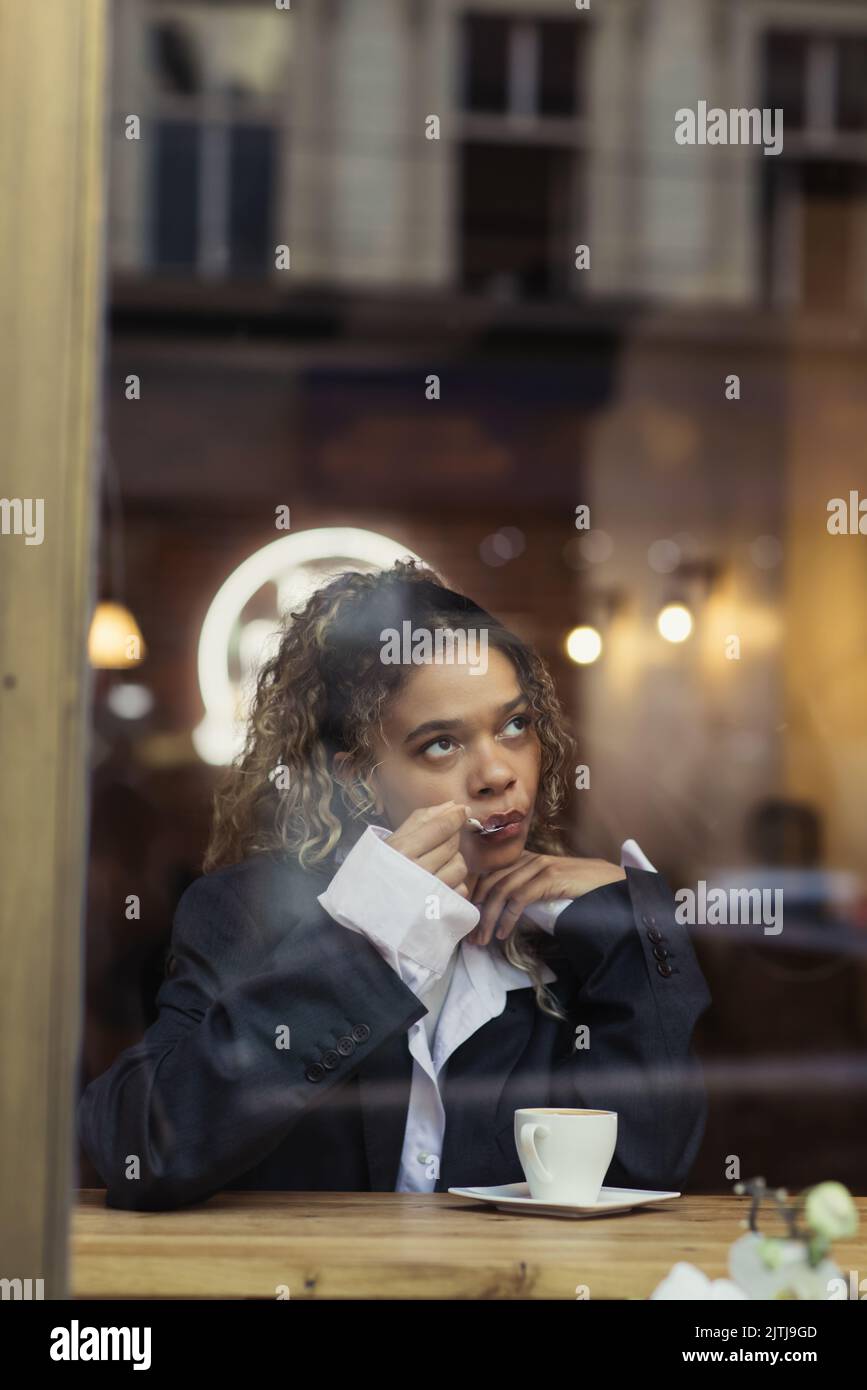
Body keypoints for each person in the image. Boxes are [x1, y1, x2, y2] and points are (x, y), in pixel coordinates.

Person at [78, 558, 712, 1210]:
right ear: (358, 777)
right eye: (440, 744)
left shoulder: (562, 938)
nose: (496, 772)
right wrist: (369, 934)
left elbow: (639, 1174)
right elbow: (142, 1153)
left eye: (514, 725)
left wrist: (630, 930)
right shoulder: (245, 913)